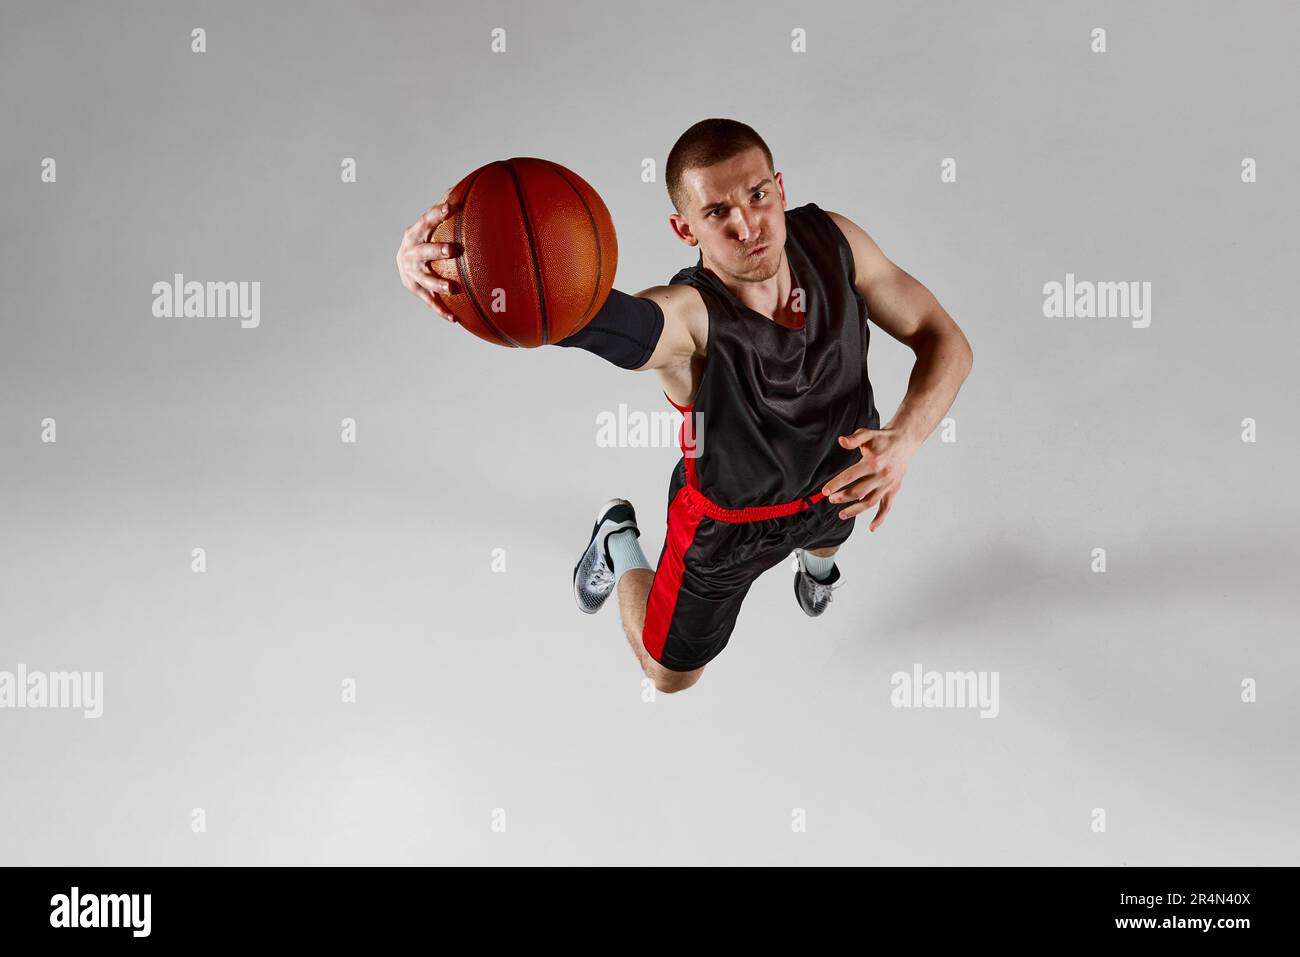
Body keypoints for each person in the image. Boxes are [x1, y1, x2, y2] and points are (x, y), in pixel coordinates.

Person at [396, 118, 973, 695]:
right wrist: (451, 274)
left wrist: (904, 439)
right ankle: (618, 536)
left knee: (829, 532)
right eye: (717, 212)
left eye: (757, 195)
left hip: (843, 477)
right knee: (669, 675)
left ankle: (818, 566)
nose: (748, 224)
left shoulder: (835, 241)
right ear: (684, 228)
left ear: (780, 187)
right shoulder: (690, 319)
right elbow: (580, 313)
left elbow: (942, 336)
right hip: (729, 529)